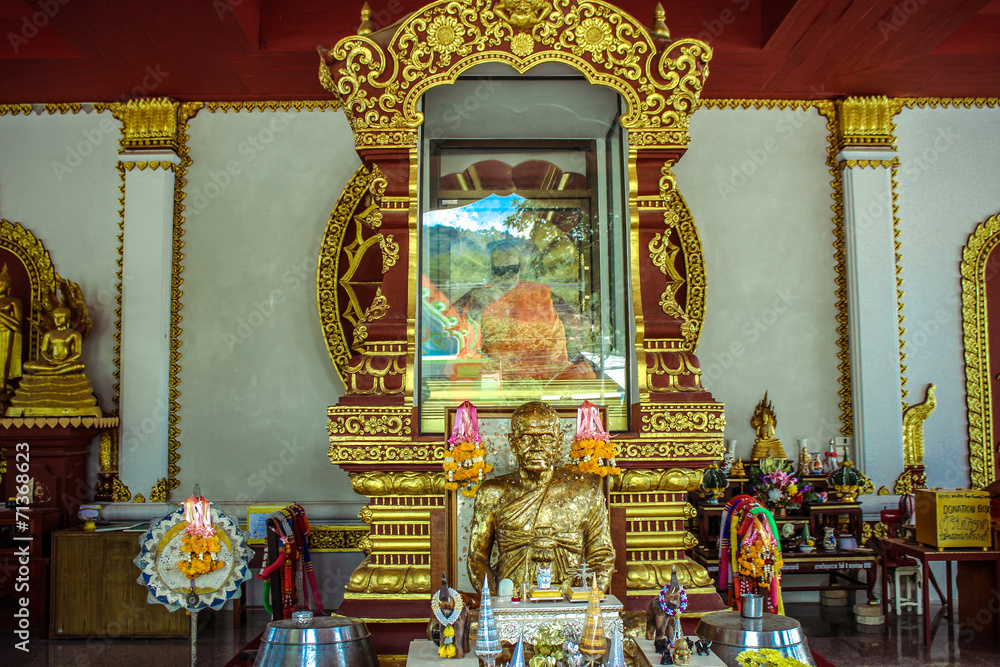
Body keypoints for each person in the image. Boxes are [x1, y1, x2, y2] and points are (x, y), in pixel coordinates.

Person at [467, 401, 614, 593]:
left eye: (546, 438)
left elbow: (602, 555)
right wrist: (493, 601)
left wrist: (588, 602)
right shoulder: (493, 492)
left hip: (570, 600)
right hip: (512, 599)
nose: (537, 446)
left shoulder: (585, 489)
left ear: (559, 442)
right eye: (527, 438)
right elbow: (477, 557)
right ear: (513, 443)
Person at [451, 243, 594, 381]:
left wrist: (538, 362)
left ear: (520, 268)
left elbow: (557, 338)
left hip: (537, 367)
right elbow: (467, 341)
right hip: (494, 368)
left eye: (513, 269)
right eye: (500, 271)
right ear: (492, 271)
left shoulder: (536, 294)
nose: (507, 276)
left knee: (586, 376)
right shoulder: (478, 298)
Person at [24, 306, 86, 375]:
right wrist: (50, 359)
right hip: (52, 363)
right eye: (55, 318)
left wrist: (64, 362)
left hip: (67, 363)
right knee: (27, 365)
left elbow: (78, 353)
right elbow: (43, 351)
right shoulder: (49, 334)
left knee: (81, 365)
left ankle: (52, 371)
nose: (57, 320)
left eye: (60, 318)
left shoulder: (74, 333)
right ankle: (55, 370)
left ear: (68, 319)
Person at [0, 264, 23, 392]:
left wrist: (1, 316)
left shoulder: (14, 301)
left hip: (6, 332)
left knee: (3, 360)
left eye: (1, 284)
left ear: (8, 286)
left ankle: (2, 384)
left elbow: (17, 324)